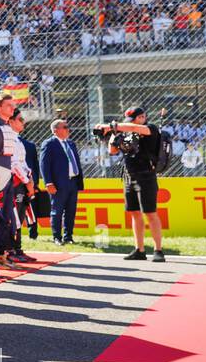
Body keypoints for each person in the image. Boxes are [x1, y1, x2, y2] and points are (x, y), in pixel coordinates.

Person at [95, 108, 165, 262]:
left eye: (134, 120)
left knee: (150, 213)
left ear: (142, 117)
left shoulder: (150, 129)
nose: (130, 124)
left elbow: (134, 128)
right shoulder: (126, 131)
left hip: (146, 176)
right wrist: (112, 135)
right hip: (128, 176)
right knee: (134, 212)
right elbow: (112, 151)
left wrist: (112, 126)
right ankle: (139, 249)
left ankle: (158, 250)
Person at [0, 93, 28, 269]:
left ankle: (2, 253)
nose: (12, 108)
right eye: (8, 105)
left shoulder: (8, 127)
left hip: (7, 175)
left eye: (12, 105)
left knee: (6, 216)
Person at [39, 118, 85, 245]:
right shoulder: (49, 144)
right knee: (57, 211)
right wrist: (48, 182)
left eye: (67, 126)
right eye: (64, 127)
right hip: (58, 183)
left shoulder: (71, 143)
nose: (68, 129)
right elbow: (44, 165)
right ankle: (57, 237)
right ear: (55, 130)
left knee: (71, 210)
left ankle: (68, 236)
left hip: (72, 182)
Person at [9, 108, 39, 260]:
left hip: (22, 182)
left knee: (20, 215)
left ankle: (17, 249)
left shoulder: (18, 140)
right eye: (20, 119)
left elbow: (24, 164)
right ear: (11, 121)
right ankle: (10, 250)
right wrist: (27, 181)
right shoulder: (9, 139)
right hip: (13, 183)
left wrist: (30, 179)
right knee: (13, 217)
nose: (23, 122)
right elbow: (13, 164)